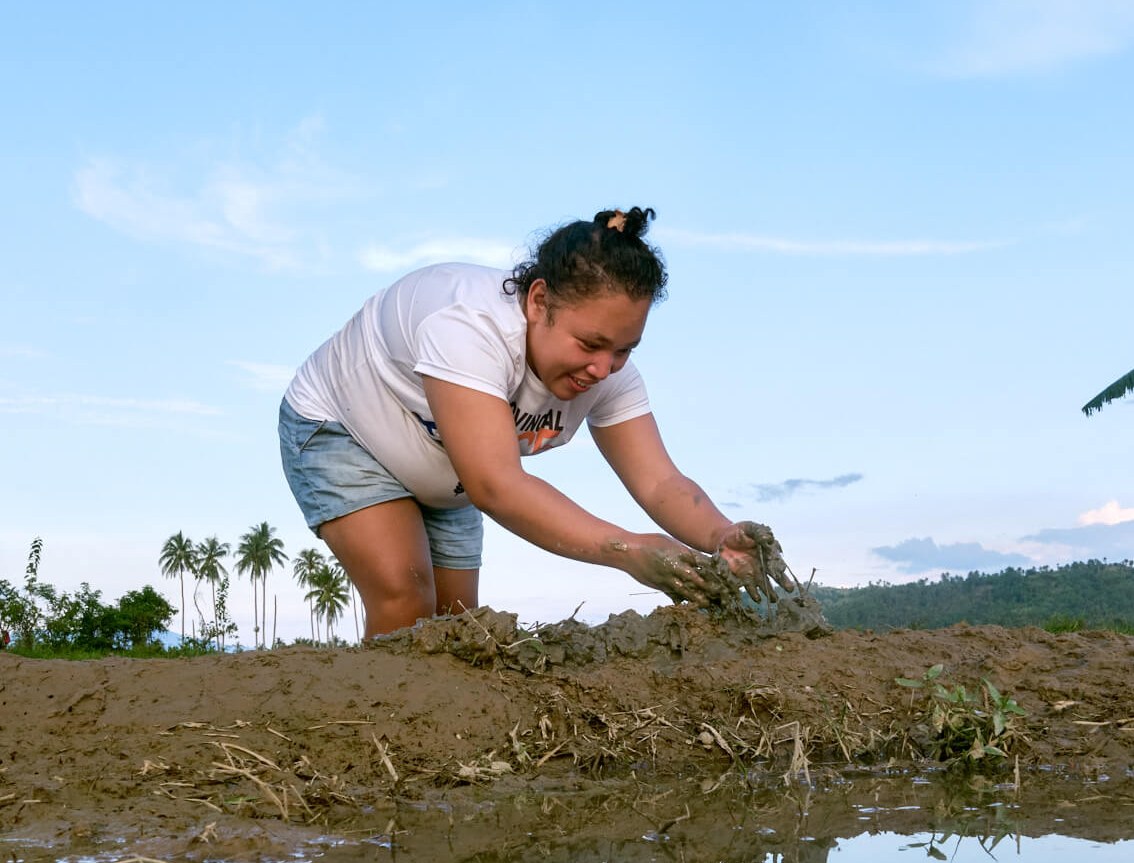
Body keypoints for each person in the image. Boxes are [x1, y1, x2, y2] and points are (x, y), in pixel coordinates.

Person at [278, 207, 794, 637]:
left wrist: (721, 533)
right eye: (590, 344)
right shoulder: (468, 328)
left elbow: (660, 482)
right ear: (538, 300)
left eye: (624, 350)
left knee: (459, 631)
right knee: (406, 600)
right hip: (347, 430)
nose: (603, 369)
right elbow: (496, 486)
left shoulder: (609, 374)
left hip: (445, 470)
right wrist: (628, 550)